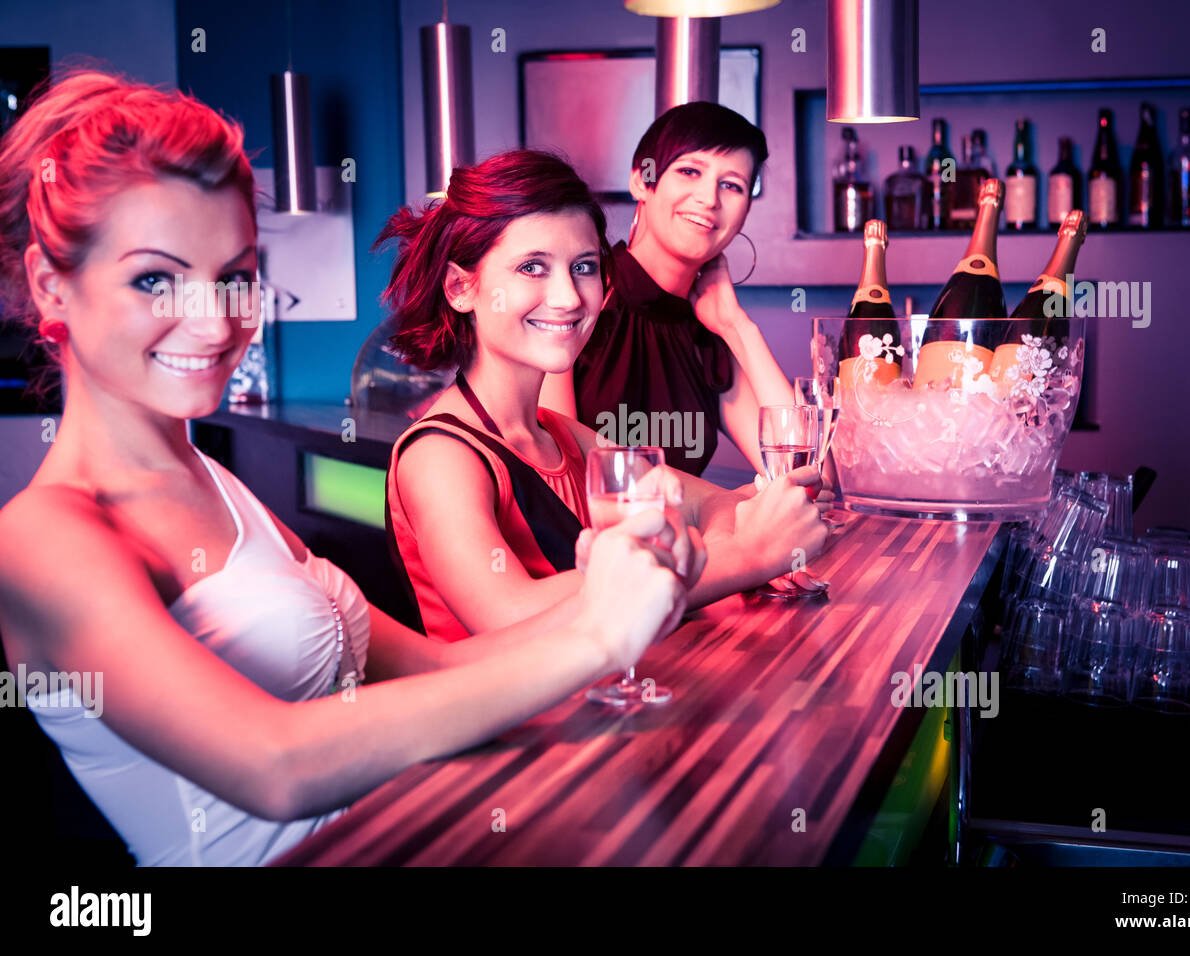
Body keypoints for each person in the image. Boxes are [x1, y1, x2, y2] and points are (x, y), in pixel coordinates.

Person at [0, 71, 701, 867]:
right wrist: (600, 641)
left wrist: (620, 585)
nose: (212, 319)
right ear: (51, 283)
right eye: (154, 278)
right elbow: (276, 763)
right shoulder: (42, 538)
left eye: (233, 277)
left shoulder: (215, 484)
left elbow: (435, 667)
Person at [381, 149, 828, 642]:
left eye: (584, 267)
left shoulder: (560, 434)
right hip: (513, 721)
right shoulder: (440, 454)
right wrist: (748, 557)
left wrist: (729, 542)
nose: (569, 297)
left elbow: (716, 505)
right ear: (461, 287)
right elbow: (508, 617)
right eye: (532, 267)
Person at [541, 102, 795, 477]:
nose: (710, 199)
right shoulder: (574, 298)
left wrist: (738, 327)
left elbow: (798, 472)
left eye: (731, 185)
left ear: (744, 212)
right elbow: (560, 480)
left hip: (684, 536)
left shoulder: (708, 335)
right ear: (641, 181)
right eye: (690, 171)